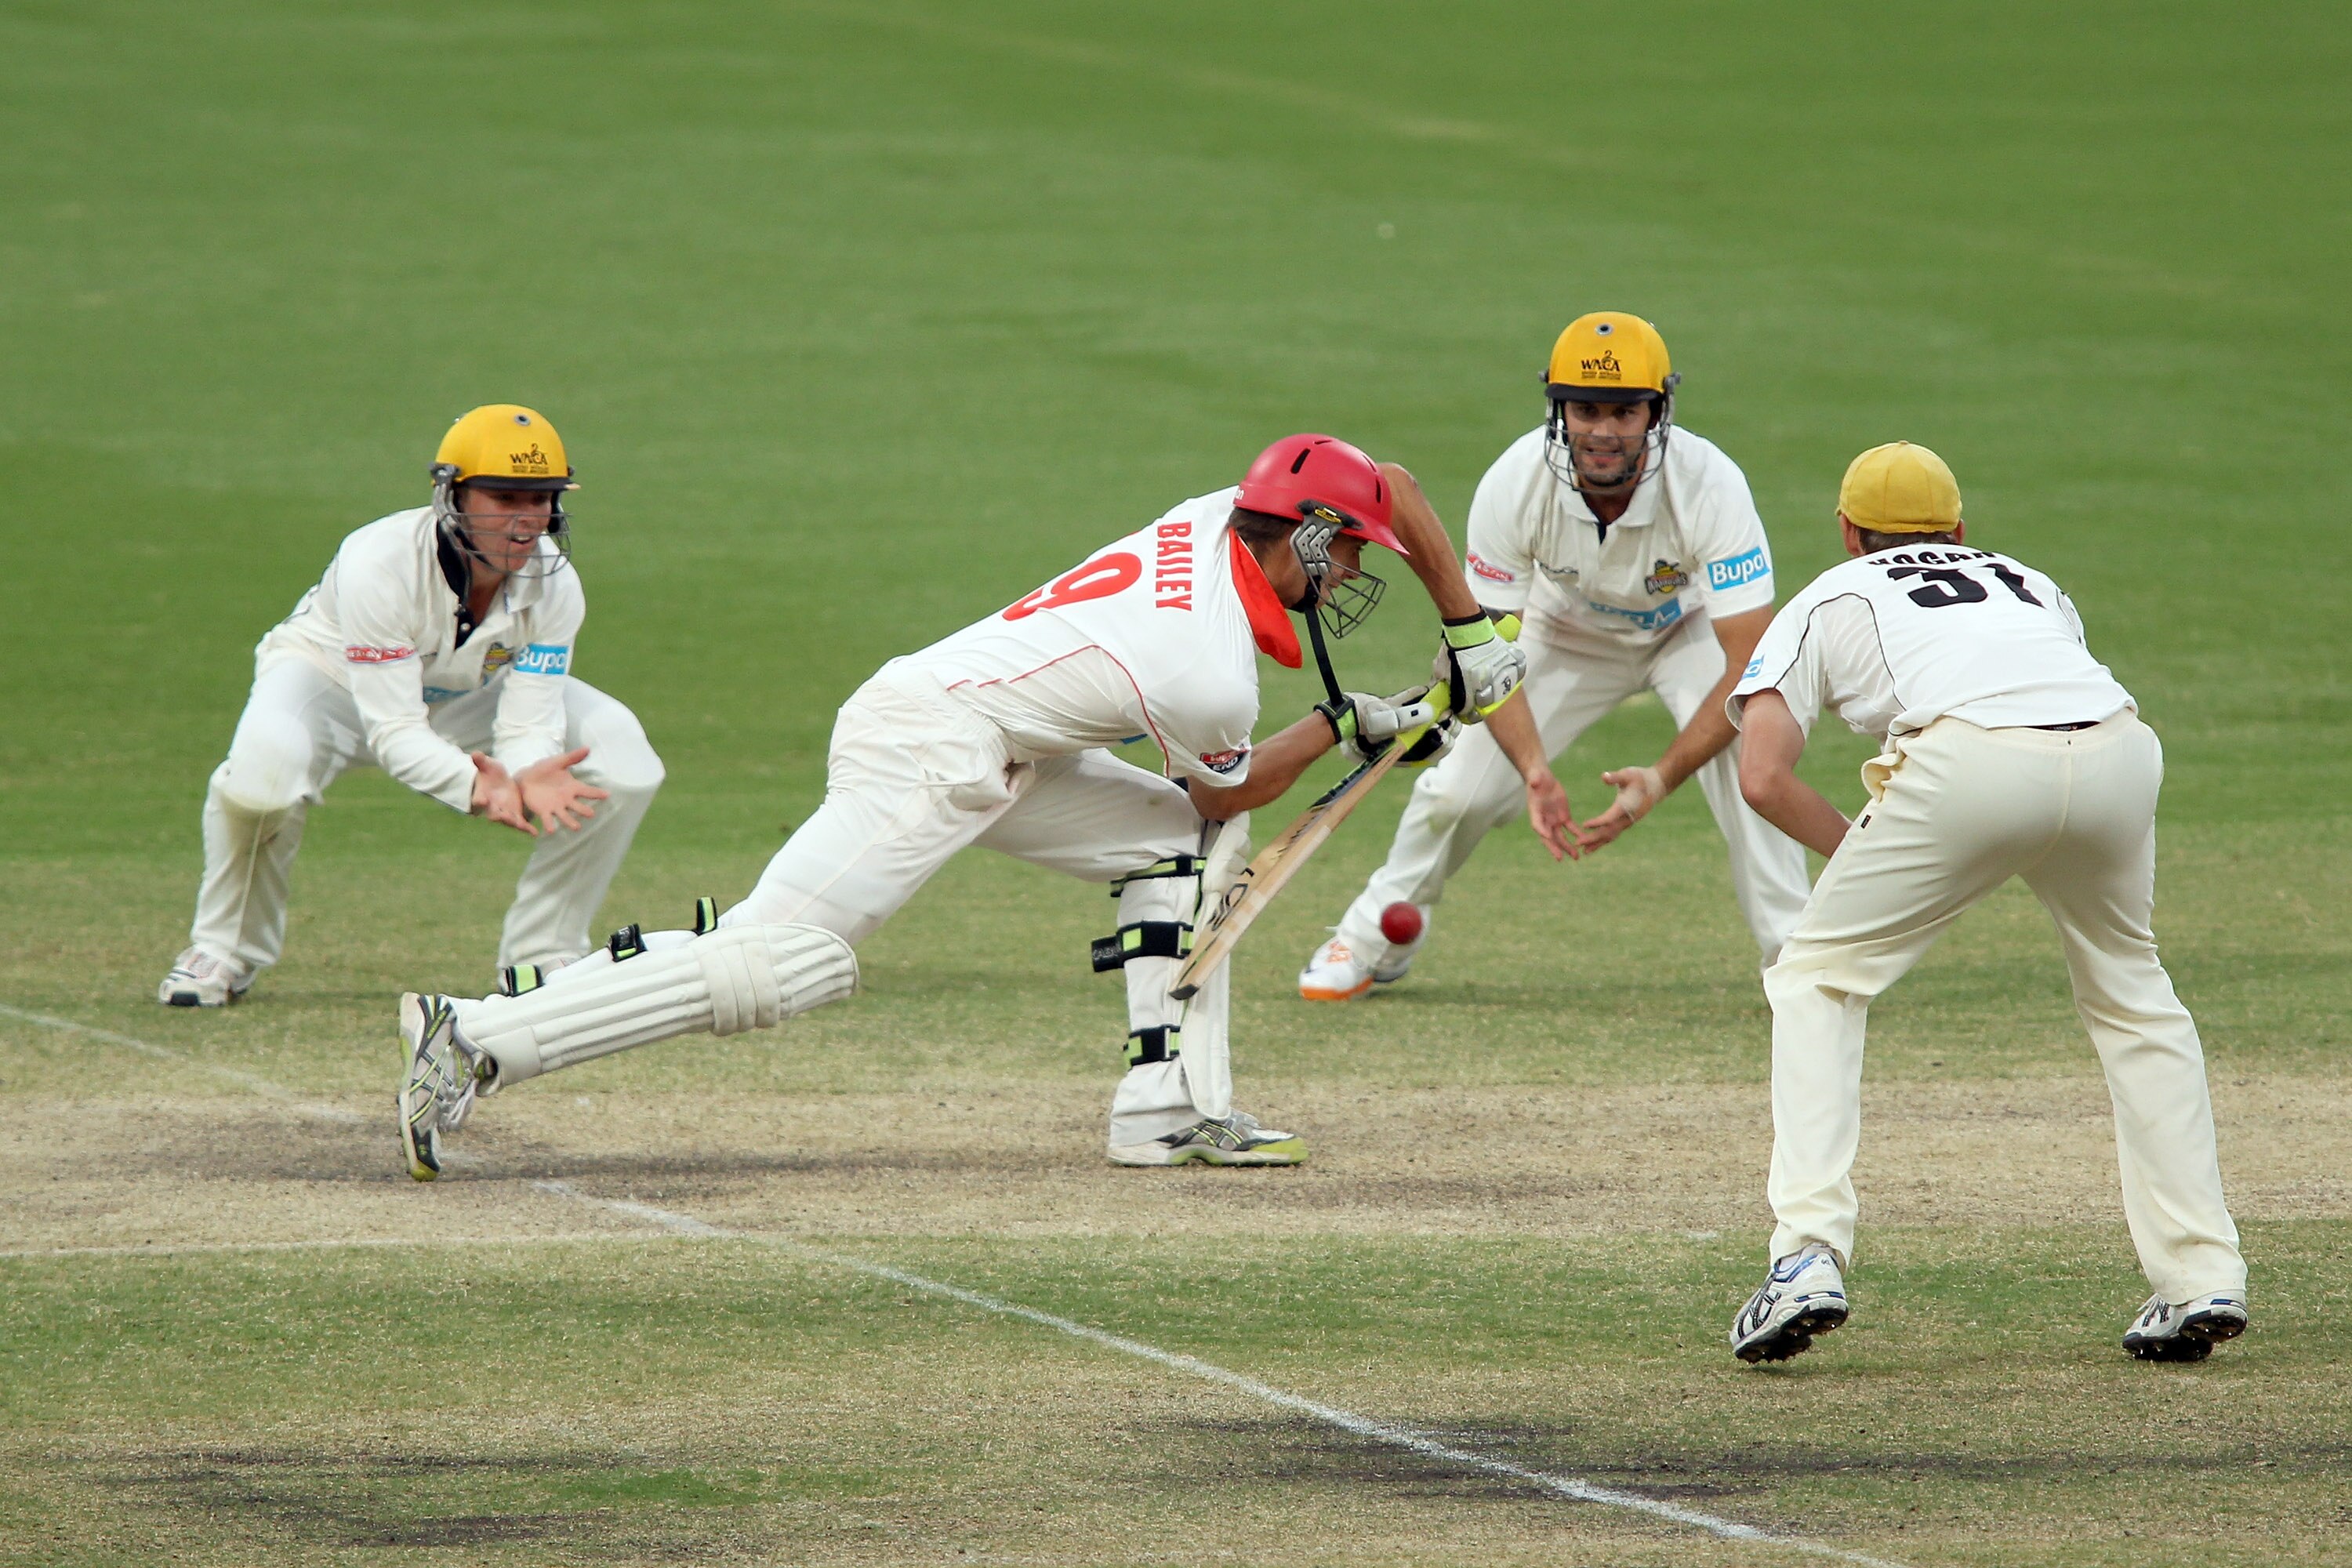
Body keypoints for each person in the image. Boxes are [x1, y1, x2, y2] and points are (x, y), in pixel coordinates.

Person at [395, 435, 1573, 1181]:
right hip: (930, 741)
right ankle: (478, 1035)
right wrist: (1377, 718)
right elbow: (1232, 778)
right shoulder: (1203, 662)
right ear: (1303, 535)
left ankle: (1165, 1109)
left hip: (1000, 741)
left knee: (1185, 846)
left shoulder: (1232, 506)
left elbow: (1399, 487)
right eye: (1346, 556)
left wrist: (1468, 631)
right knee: (788, 960)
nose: (1357, 575)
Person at [1723, 441, 2245, 1365]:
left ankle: (1805, 1255)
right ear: (1962, 530)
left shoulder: (1828, 595)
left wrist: (1871, 859)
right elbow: (2055, 702)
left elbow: (1761, 776)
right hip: (2121, 747)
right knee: (2135, 994)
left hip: (1969, 763)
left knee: (1816, 973)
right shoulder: (2031, 582)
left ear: (1848, 533)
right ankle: (2200, 1276)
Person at [1298, 313, 1809, 1001]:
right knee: (1455, 793)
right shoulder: (1515, 484)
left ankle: (1800, 960)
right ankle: (1373, 938)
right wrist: (1534, 771)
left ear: (1658, 412)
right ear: (1559, 409)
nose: (1603, 430)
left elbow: (1749, 667)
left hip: (1687, 631)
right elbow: (1483, 651)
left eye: (1625, 411)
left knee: (1753, 757)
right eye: (1586, 408)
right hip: (1561, 630)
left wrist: (1658, 779)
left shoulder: (1710, 484)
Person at [158, 405, 662, 1007]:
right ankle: (222, 950)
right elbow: (394, 729)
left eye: (542, 499)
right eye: (505, 499)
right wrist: (477, 788)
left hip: (464, 689)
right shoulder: (379, 561)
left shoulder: (555, 585)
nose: (528, 521)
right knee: (263, 782)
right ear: (452, 495)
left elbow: (529, 717)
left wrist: (528, 772)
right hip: (329, 684)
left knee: (626, 758)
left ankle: (541, 955)